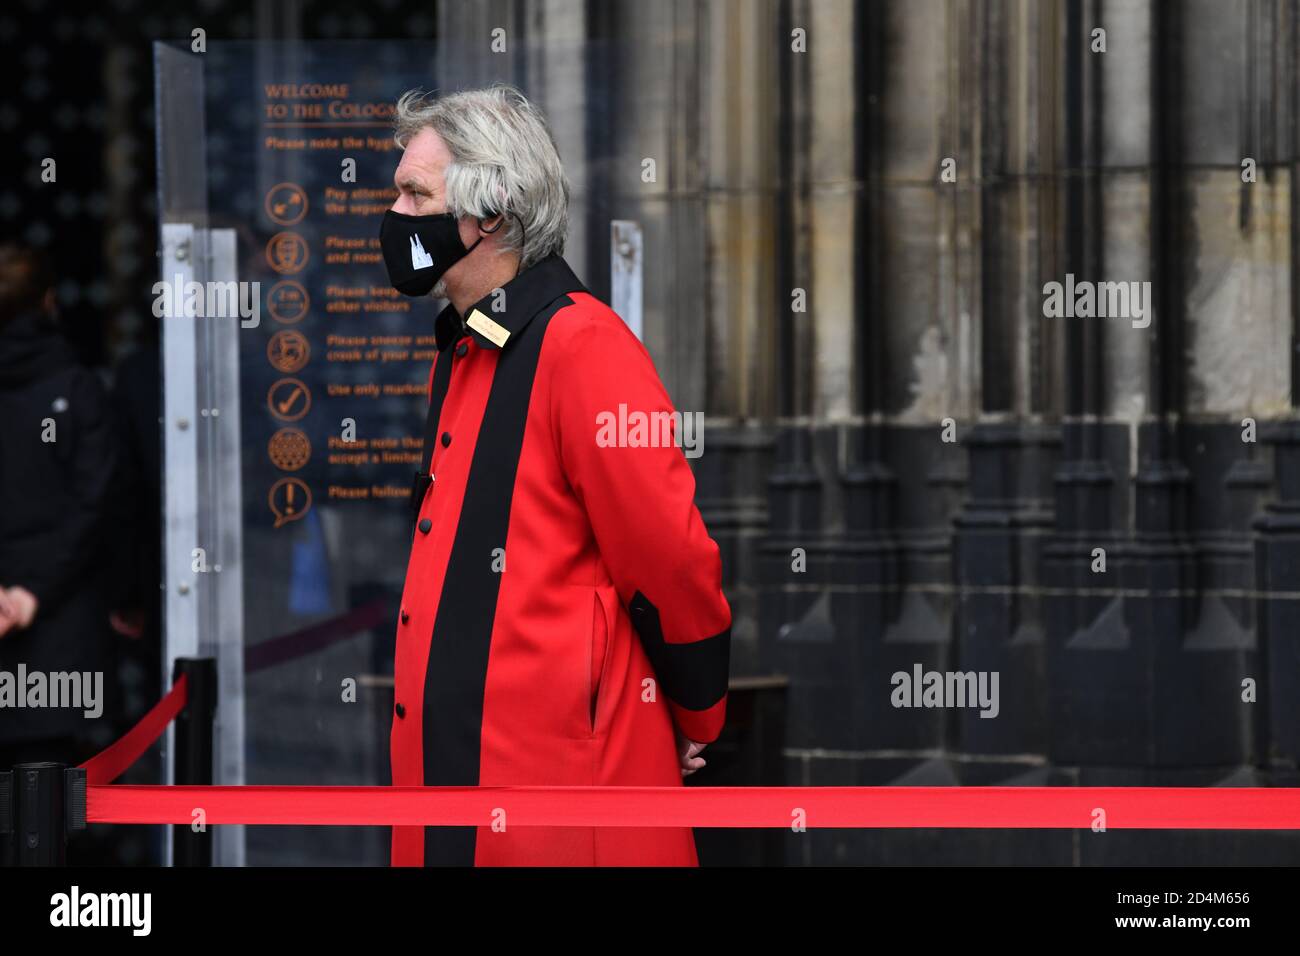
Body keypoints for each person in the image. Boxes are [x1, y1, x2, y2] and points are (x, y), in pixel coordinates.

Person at [379, 85, 732, 866]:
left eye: (415, 193)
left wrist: (694, 711)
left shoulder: (582, 344)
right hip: (461, 789)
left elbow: (667, 556)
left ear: (492, 214)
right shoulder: (470, 346)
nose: (397, 215)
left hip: (559, 805)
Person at [0, 242, 119, 864]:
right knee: (46, 825)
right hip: (56, 635)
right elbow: (93, 506)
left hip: (40, 622)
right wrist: (31, 593)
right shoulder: (76, 386)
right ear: (49, 301)